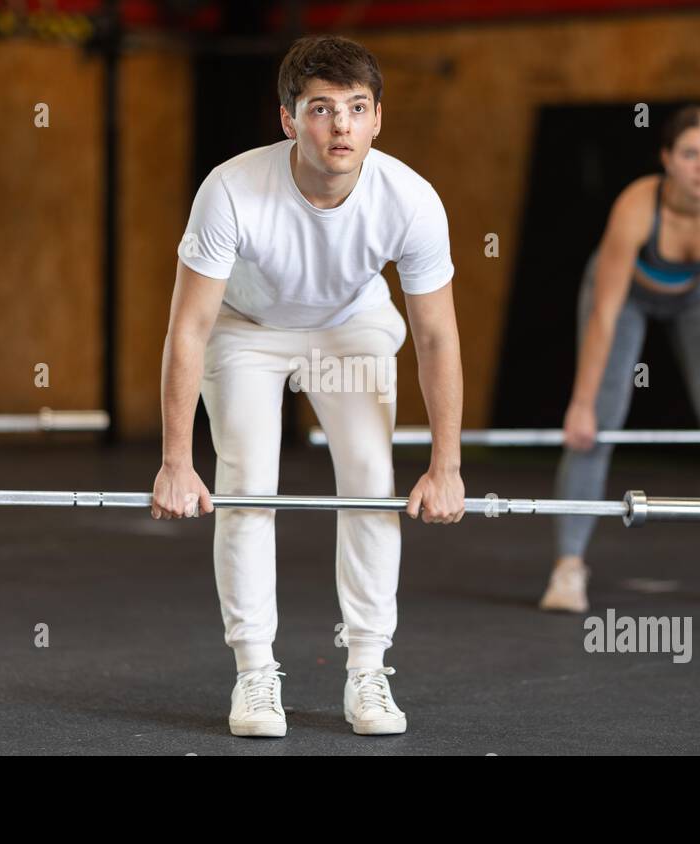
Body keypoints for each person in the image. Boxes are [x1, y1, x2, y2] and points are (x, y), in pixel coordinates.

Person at [152, 35, 465, 737]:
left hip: (349, 325)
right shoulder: (231, 189)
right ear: (290, 120)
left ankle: (367, 669)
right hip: (246, 327)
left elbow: (438, 336)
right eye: (322, 109)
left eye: (357, 108)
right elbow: (189, 330)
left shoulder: (410, 199)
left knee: (368, 476)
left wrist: (446, 467)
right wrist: (177, 460)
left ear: (378, 117)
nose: (342, 125)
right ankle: (254, 672)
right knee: (247, 480)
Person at [542, 105, 700, 614]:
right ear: (667, 159)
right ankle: (568, 568)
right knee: (597, 429)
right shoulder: (637, 207)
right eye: (689, 154)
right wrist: (581, 402)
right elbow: (605, 316)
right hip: (626, 297)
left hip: (698, 295)